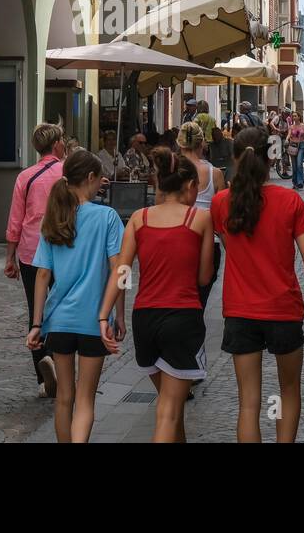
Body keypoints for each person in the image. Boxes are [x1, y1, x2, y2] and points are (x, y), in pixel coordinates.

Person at [210, 127, 304, 443]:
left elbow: (227, 244)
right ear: (270, 157)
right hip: (283, 309)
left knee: (249, 403)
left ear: (235, 159)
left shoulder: (222, 203)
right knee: (287, 391)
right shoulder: (290, 201)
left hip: (240, 311)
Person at [100, 148, 214, 442]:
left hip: (145, 319)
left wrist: (105, 315)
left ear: (157, 182)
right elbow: (204, 277)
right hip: (182, 317)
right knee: (168, 412)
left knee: (170, 402)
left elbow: (122, 272)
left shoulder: (139, 219)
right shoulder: (199, 219)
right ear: (190, 187)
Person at [25, 150, 125, 442]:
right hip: (94, 320)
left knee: (64, 398)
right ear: (91, 178)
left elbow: (42, 276)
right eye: (98, 180)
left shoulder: (55, 217)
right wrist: (119, 314)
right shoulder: (107, 217)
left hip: (59, 322)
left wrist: (36, 324)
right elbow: (118, 270)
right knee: (85, 399)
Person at [4, 123, 66, 397]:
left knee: (36, 309)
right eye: (62, 140)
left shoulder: (25, 177)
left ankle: (43, 375)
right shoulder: (67, 173)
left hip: (30, 251)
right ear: (56, 145)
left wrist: (9, 257)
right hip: (64, 250)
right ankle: (62, 367)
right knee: (64, 307)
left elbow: (15, 219)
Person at [178, 121, 226, 309]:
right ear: (202, 144)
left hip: (177, 238)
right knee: (200, 302)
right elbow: (221, 213)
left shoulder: (172, 169)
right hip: (208, 243)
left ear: (179, 144)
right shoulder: (215, 174)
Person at [287, 112, 304, 190]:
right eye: (293, 116)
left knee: (299, 164)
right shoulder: (291, 126)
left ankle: (300, 182)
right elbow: (289, 134)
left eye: (295, 116)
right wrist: (287, 139)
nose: (294, 117)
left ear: (299, 117)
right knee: (294, 166)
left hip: (301, 145)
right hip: (293, 146)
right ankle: (295, 182)